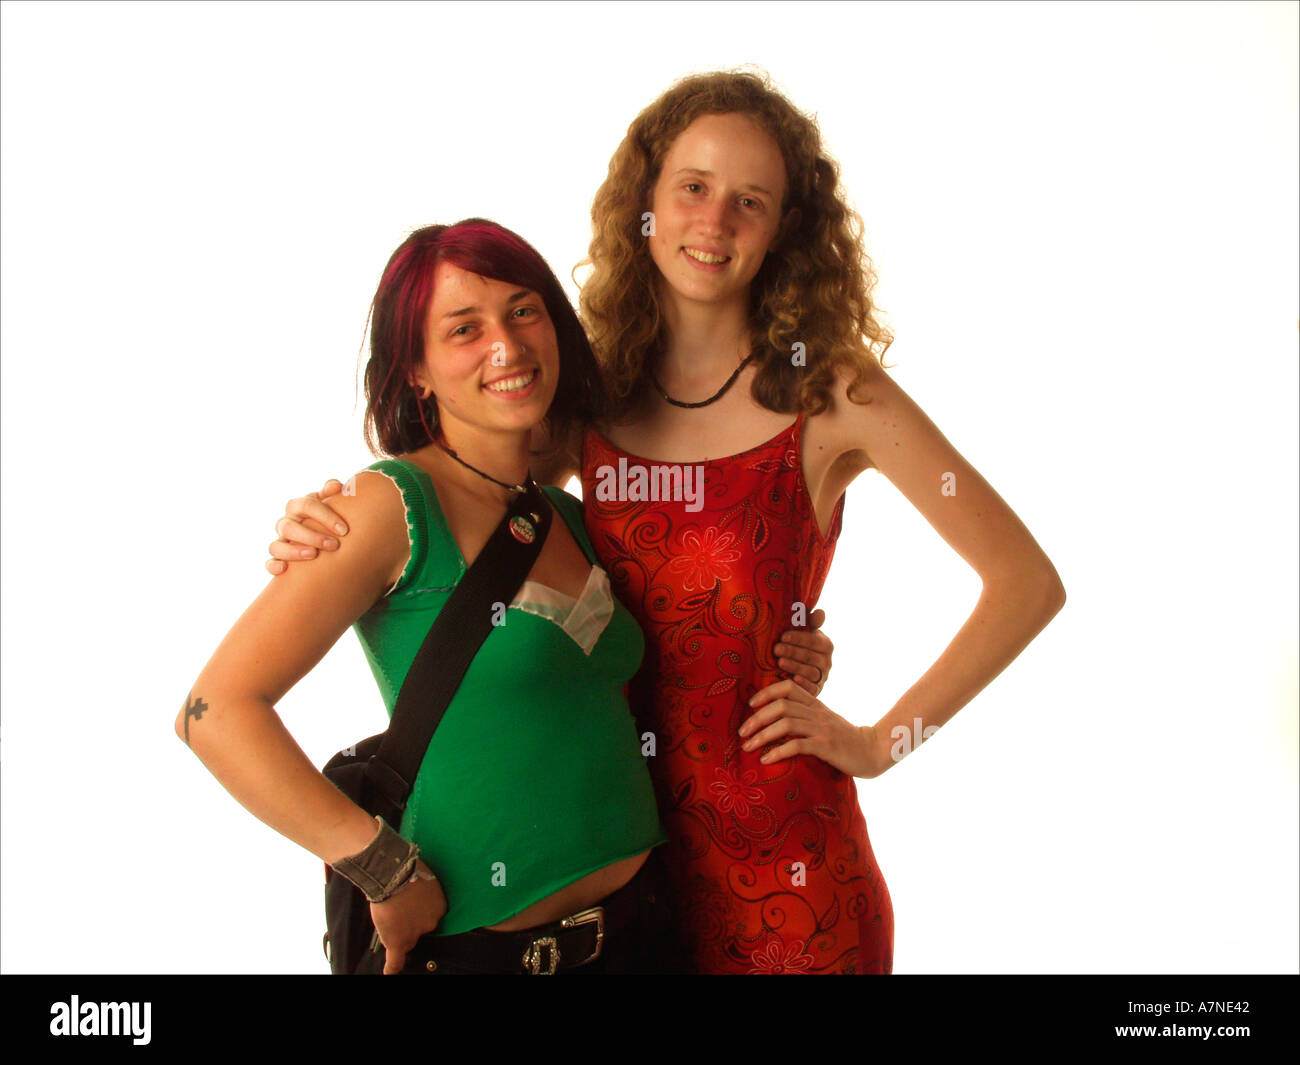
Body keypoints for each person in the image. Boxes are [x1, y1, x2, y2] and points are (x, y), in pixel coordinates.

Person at [267, 71, 1066, 974]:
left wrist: (881, 741)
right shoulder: (587, 403)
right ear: (643, 202)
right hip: (625, 875)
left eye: (750, 201)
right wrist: (326, 518)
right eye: (692, 187)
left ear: (786, 231)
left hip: (788, 871)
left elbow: (1027, 583)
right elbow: (452, 500)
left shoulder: (836, 393)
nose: (714, 222)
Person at [184, 218, 823, 975]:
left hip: (646, 931)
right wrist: (378, 865)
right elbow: (215, 712)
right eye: (464, 328)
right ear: (415, 368)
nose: (507, 346)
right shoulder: (389, 508)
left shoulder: (574, 518)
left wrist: (784, 652)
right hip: (484, 956)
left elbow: (661, 683)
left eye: (524, 310)